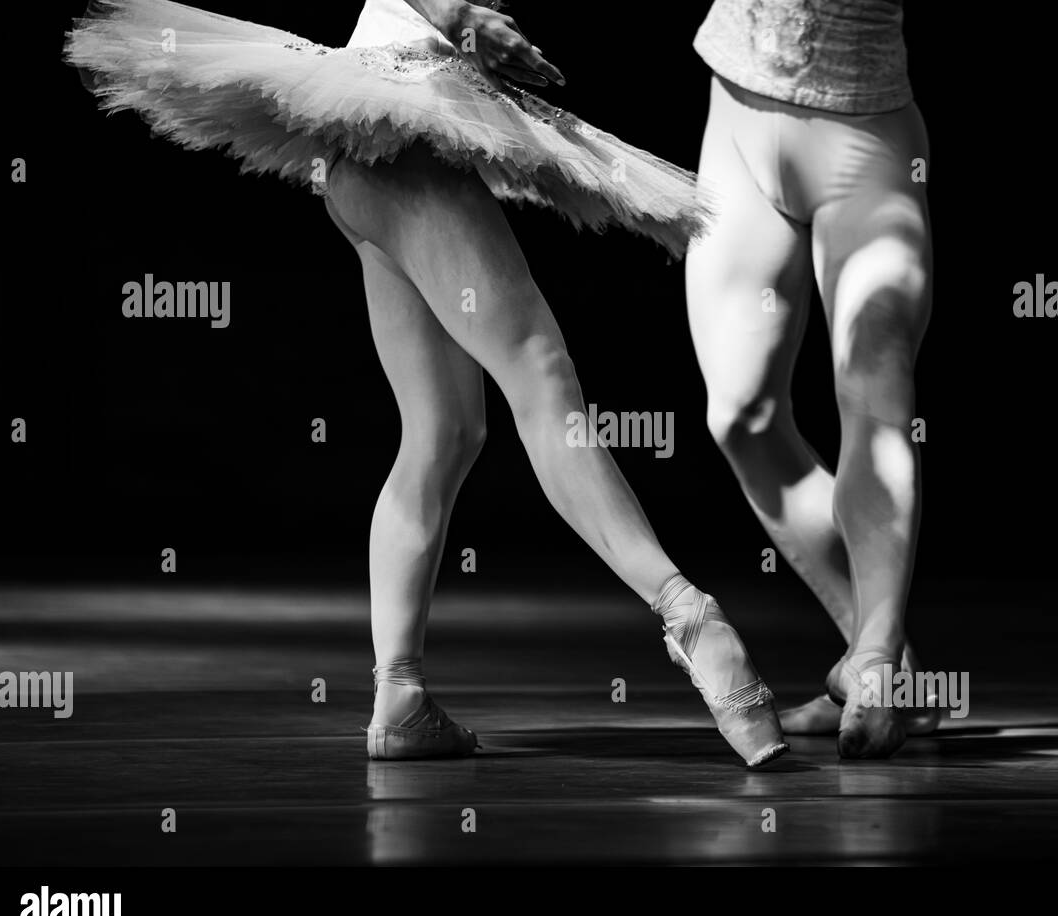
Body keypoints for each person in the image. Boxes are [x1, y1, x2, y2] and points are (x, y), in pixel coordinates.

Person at [66, 0, 789, 767]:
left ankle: (400, 695)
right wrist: (463, 14)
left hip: (361, 165)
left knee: (442, 432)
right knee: (544, 381)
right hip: (406, 142)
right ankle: (692, 620)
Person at [685, 0, 939, 758]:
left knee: (875, 386)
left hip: (864, 137)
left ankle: (873, 663)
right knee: (740, 416)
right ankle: (888, 665)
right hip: (736, 116)